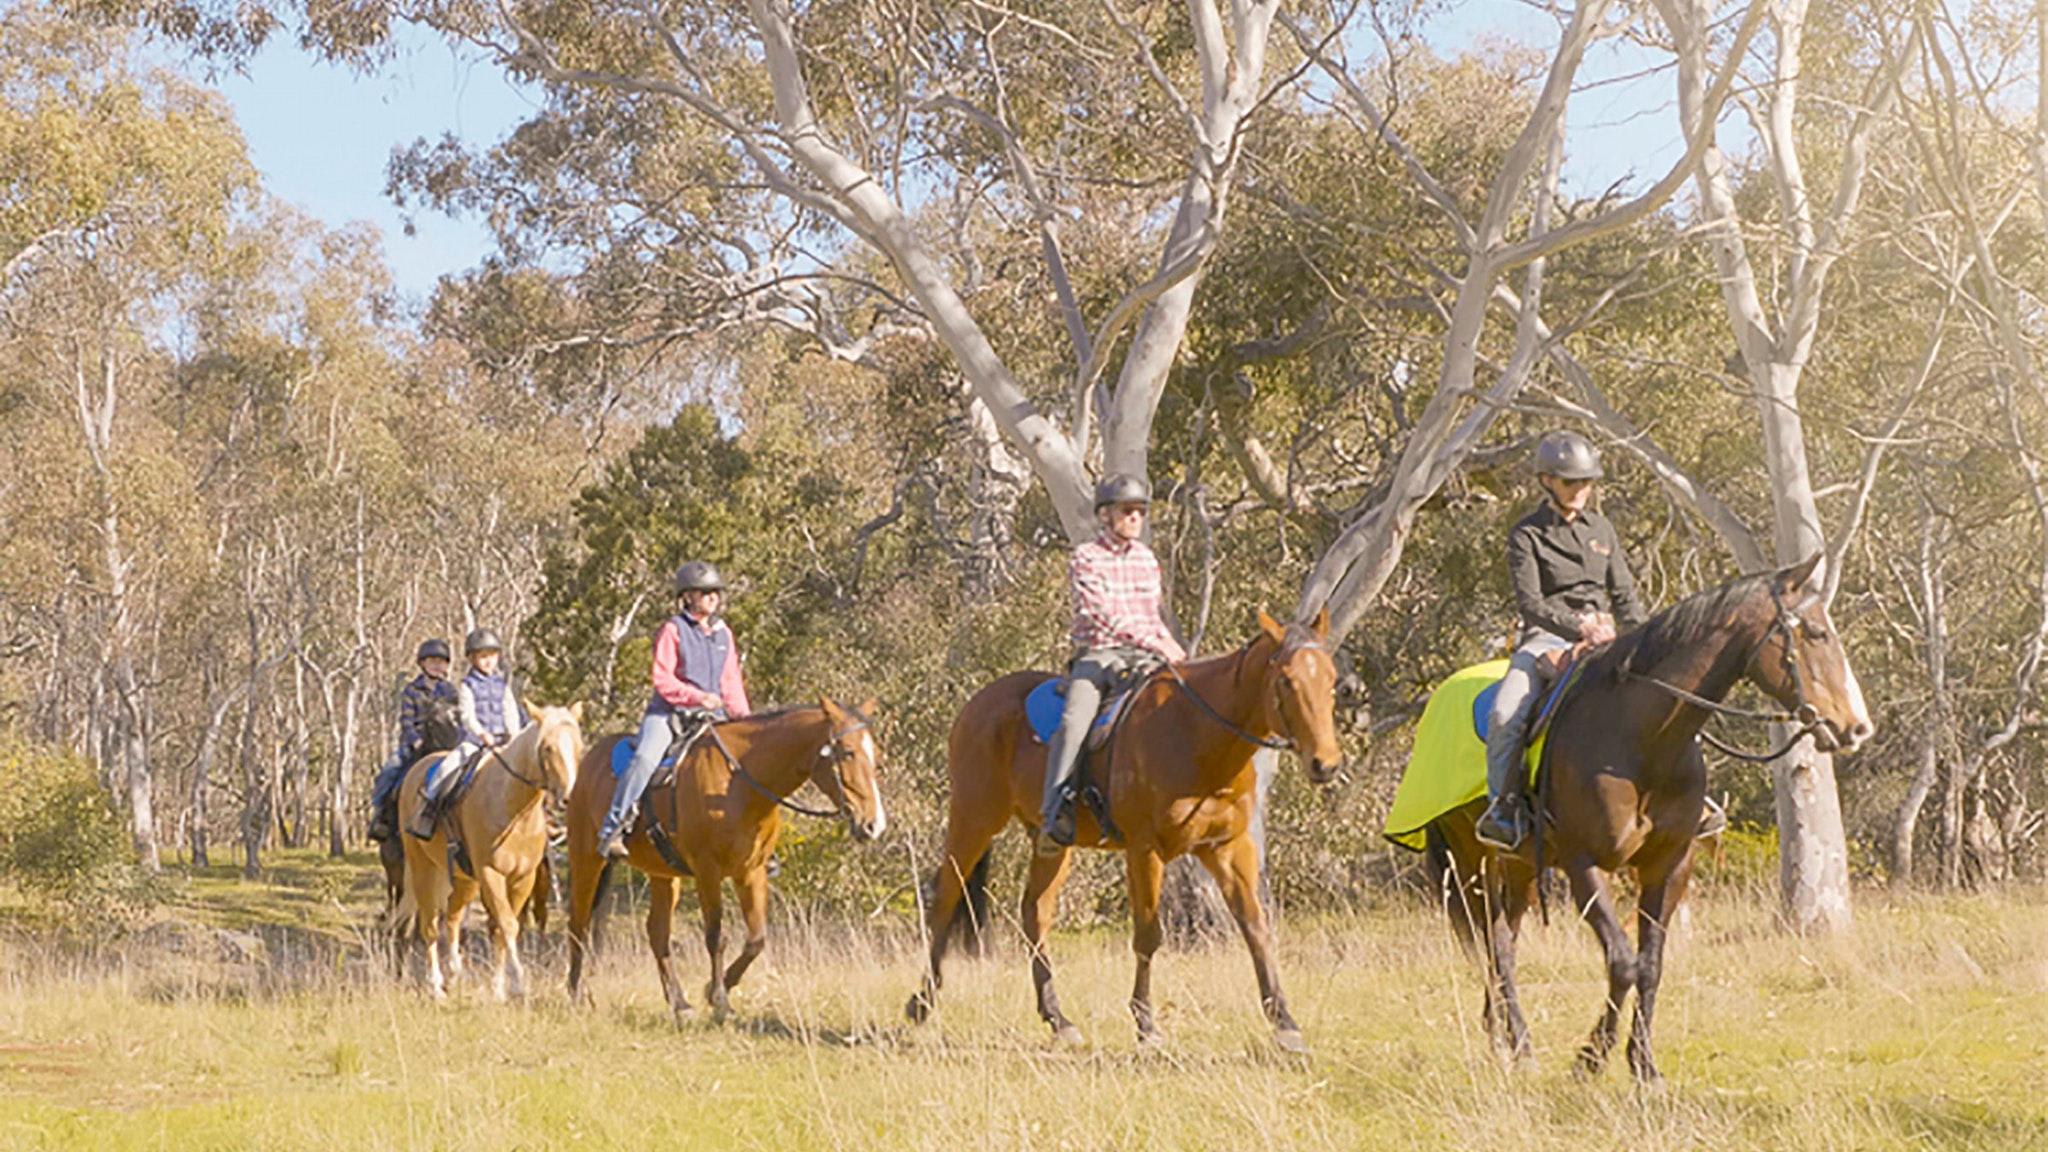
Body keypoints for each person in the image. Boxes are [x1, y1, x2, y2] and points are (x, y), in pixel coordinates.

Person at [1480, 431, 1672, 849]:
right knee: (1504, 714)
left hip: (1606, 635)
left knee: (1668, 690)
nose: (1582, 490)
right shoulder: (1526, 535)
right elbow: (1530, 603)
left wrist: (1645, 637)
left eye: (1587, 482)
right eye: (1572, 482)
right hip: (1545, 638)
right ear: (1547, 481)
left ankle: (1688, 796)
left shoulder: (1601, 527)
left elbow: (1624, 595)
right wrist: (1577, 627)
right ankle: (1504, 809)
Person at [1038, 474, 1187, 856]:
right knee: (1074, 722)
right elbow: (1099, 614)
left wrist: (1170, 646)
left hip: (1146, 657)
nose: (1136, 518)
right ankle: (1055, 813)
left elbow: (1153, 615)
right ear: (1106, 516)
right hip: (1099, 656)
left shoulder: (1146, 559)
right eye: (1127, 511)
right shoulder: (1087, 557)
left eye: (1140, 511)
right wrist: (1154, 640)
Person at [596, 561, 753, 859]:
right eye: (703, 592)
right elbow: (663, 679)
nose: (711, 597)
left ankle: (753, 838)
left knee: (747, 763)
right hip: (669, 714)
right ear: (687, 596)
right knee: (644, 758)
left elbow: (730, 681)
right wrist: (697, 697)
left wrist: (745, 721)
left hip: (712, 717)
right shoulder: (673, 630)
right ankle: (614, 827)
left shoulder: (724, 634)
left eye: (715, 592)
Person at [408, 628, 527, 838]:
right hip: (475, 743)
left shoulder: (502, 685)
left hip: (503, 742)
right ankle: (426, 812)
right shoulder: (467, 685)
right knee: (446, 768)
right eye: (482, 657)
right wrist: (481, 734)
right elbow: (467, 715)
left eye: (491, 656)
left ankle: (547, 824)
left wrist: (514, 736)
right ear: (472, 659)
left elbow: (510, 712)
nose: (488, 661)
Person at [366, 638, 458, 842]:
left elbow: (456, 719)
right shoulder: (412, 690)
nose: (437, 665)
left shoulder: (451, 691)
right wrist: (415, 740)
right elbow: (407, 721)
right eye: (432, 660)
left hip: (445, 744)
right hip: (416, 744)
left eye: (441, 661)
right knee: (390, 771)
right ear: (422, 663)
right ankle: (380, 816)